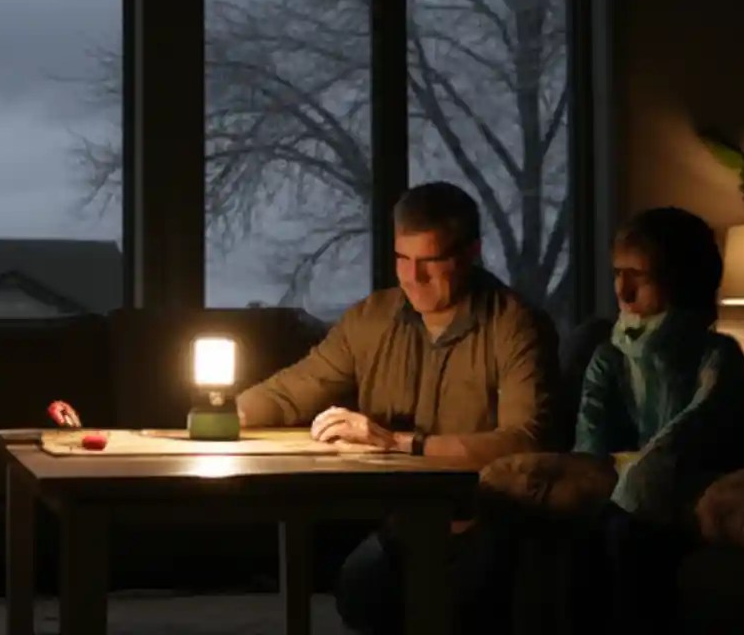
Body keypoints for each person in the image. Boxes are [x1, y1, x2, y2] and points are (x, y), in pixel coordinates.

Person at [235, 181, 561, 634]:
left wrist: (400, 444)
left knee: (461, 602)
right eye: (402, 260)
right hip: (405, 525)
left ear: (470, 253)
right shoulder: (373, 317)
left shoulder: (514, 325)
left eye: (431, 262)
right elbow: (296, 387)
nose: (414, 277)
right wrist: (225, 414)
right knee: (360, 592)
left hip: (489, 522)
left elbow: (526, 440)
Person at [568, 207, 744, 632]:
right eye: (617, 273)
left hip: (698, 488)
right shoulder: (610, 356)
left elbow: (692, 434)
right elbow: (590, 442)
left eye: (639, 276)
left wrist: (638, 476)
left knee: (629, 536)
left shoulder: (717, 355)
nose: (623, 291)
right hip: (624, 492)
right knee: (586, 531)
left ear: (678, 280)